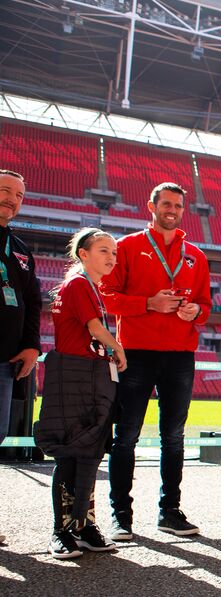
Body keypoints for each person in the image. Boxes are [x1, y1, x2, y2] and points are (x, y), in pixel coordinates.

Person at [99, 182, 212, 541]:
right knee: (126, 435)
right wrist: (148, 303)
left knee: (174, 437)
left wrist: (196, 311)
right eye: (166, 203)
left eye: (178, 205)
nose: (172, 210)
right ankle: (121, 514)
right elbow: (106, 296)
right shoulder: (128, 246)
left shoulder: (196, 255)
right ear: (151, 205)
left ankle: (170, 511)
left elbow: (207, 306)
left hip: (180, 355)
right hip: (136, 352)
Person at [35, 229, 125, 558]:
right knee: (71, 450)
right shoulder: (78, 284)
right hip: (74, 375)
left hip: (90, 375)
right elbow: (95, 329)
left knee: (90, 450)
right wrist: (118, 349)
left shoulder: (88, 286)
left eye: (114, 252)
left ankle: (84, 526)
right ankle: (62, 530)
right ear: (83, 254)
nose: (111, 257)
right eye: (104, 250)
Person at [0, 170, 41, 546]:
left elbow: (32, 302)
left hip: (4, 361)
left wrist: (32, 345)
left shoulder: (20, 250)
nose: (12, 199)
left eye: (19, 195)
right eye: (5, 191)